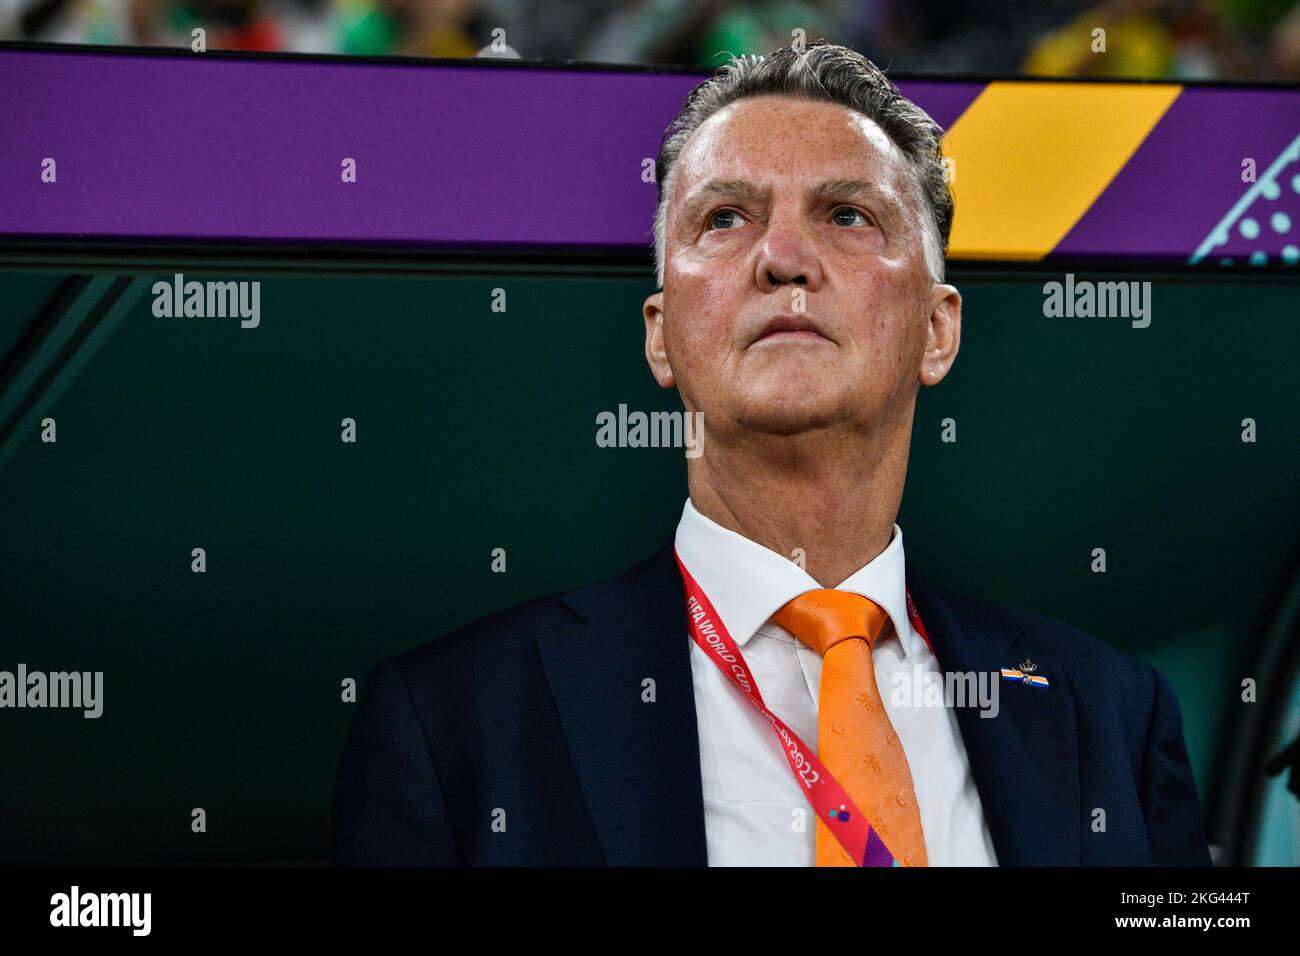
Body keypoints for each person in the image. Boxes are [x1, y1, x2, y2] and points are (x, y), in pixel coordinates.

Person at [330, 41, 1213, 867]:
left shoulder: (1113, 719)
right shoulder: (448, 724)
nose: (784, 258)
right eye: (725, 218)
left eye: (847, 214)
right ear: (660, 335)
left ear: (938, 330)